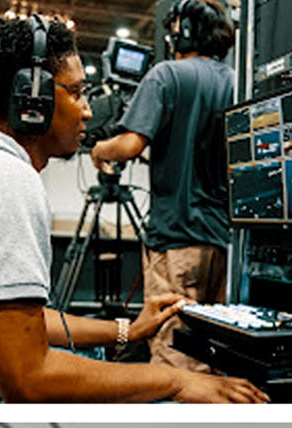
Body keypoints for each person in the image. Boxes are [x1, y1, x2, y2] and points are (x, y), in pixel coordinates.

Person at [0, 13, 265, 403]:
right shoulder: (1, 180)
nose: (89, 111)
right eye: (76, 92)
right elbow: (29, 378)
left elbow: (20, 322)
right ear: (33, 99)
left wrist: (125, 329)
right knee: (167, 396)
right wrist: (173, 381)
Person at [90, 0, 235, 371]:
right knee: (214, 352)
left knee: (174, 353)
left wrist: (99, 148)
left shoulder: (166, 75)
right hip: (224, 242)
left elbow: (128, 145)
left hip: (176, 240)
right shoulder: (237, 80)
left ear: (182, 32)